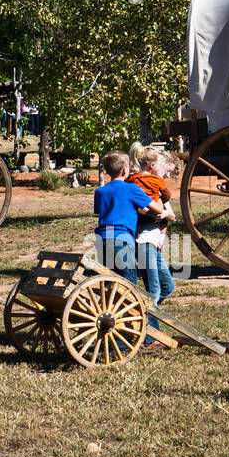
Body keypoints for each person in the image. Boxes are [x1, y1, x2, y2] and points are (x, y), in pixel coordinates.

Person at [126, 144, 178, 342]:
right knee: (153, 291)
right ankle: (148, 335)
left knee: (167, 287)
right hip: (144, 240)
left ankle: (142, 315)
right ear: (152, 165)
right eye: (162, 166)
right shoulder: (135, 184)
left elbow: (171, 213)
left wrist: (163, 212)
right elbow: (136, 208)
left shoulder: (155, 186)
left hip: (154, 243)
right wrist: (150, 211)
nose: (165, 172)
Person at [94, 150, 163, 290]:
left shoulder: (100, 192)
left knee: (109, 280)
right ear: (125, 170)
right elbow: (158, 209)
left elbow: (103, 211)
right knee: (129, 282)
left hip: (102, 239)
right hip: (123, 240)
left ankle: (110, 309)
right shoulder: (132, 188)